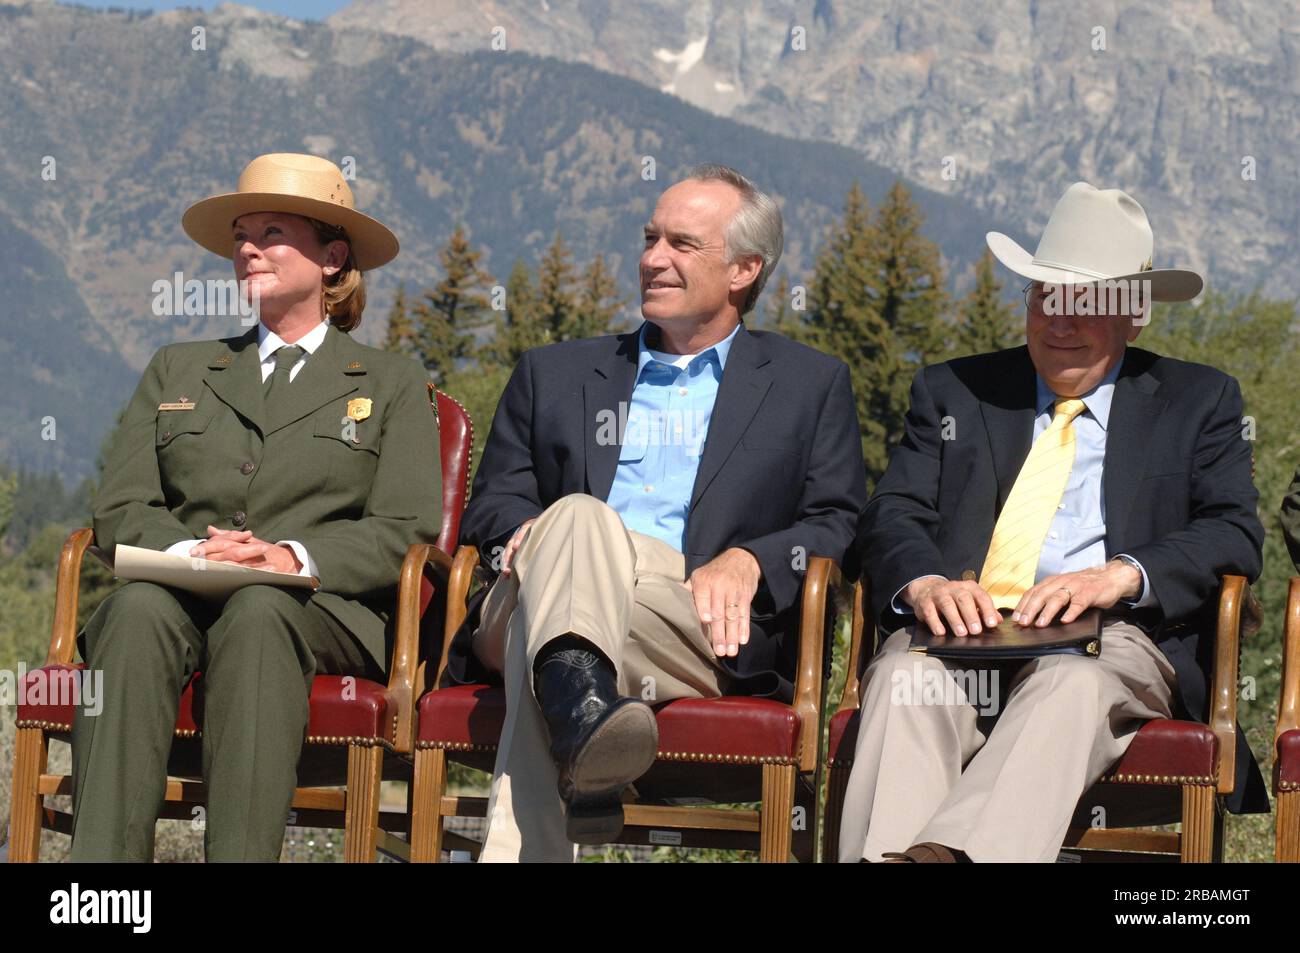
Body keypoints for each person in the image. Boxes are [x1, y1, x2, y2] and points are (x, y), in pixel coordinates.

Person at [445, 164, 867, 861]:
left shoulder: (808, 385)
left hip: (691, 622)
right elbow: (491, 504)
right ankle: (582, 702)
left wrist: (753, 559)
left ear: (744, 269)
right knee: (579, 521)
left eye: (680, 243)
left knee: (550, 636)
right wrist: (532, 532)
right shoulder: (553, 372)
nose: (651, 259)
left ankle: (580, 710)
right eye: (648, 238)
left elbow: (840, 522)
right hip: (531, 584)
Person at [841, 181, 1267, 862]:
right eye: (1047, 297)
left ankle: (945, 856)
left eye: (1086, 302)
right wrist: (924, 583)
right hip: (965, 631)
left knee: (1069, 681)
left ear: (1133, 315)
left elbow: (1232, 531)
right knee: (901, 679)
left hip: (1113, 639)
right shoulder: (954, 390)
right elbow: (892, 511)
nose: (1060, 322)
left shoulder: (1197, 401)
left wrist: (1122, 575)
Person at [70, 153, 440, 861]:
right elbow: (121, 502)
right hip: (184, 588)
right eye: (242, 234)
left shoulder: (390, 382)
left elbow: (406, 528)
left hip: (318, 607)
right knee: (133, 610)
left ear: (333, 257)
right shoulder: (179, 367)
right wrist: (192, 553)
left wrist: (288, 557)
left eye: (272, 232)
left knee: (261, 610)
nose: (247, 248)